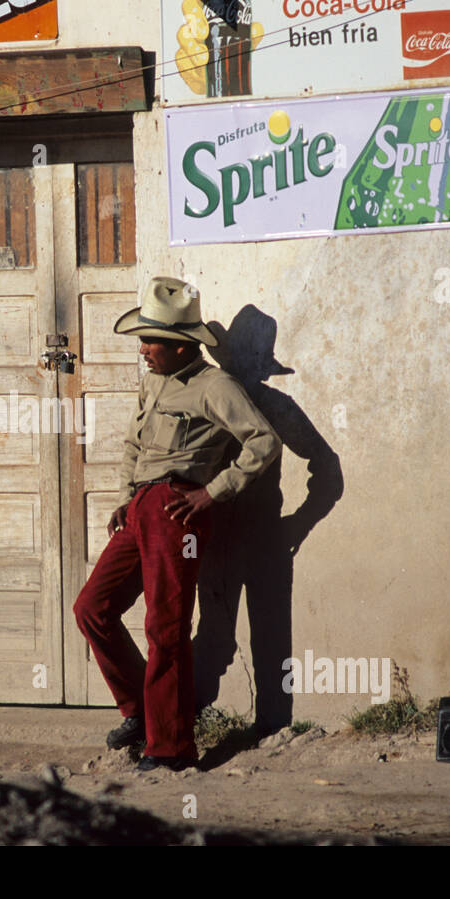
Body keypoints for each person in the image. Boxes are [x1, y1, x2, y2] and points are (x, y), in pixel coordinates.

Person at [72, 276, 282, 772]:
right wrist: (125, 497)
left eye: (151, 341)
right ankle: (143, 713)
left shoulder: (216, 387)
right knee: (91, 608)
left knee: (164, 628)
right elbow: (132, 445)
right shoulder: (152, 381)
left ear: (181, 345)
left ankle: (170, 748)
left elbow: (264, 443)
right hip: (140, 510)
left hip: (175, 513)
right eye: (143, 339)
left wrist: (214, 491)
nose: (143, 350)